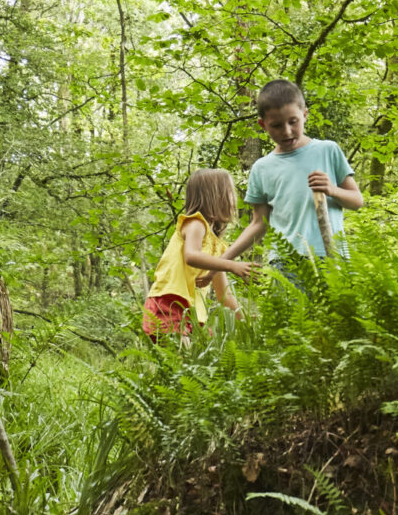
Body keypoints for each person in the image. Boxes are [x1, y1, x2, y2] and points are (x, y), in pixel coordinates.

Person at [225, 79, 365, 274]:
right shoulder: (262, 168)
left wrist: (332, 190)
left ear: (305, 114)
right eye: (277, 125)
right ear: (262, 125)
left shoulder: (328, 150)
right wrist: (220, 263)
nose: (287, 131)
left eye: (293, 122)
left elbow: (357, 201)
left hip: (332, 255)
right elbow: (258, 224)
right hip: (286, 261)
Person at [143, 168, 254, 339]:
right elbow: (191, 256)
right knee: (183, 358)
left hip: (192, 315)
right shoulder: (195, 223)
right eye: (230, 194)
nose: (235, 200)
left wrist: (249, 322)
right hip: (169, 304)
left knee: (198, 359)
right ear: (215, 197)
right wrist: (232, 265)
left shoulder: (217, 246)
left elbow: (224, 296)